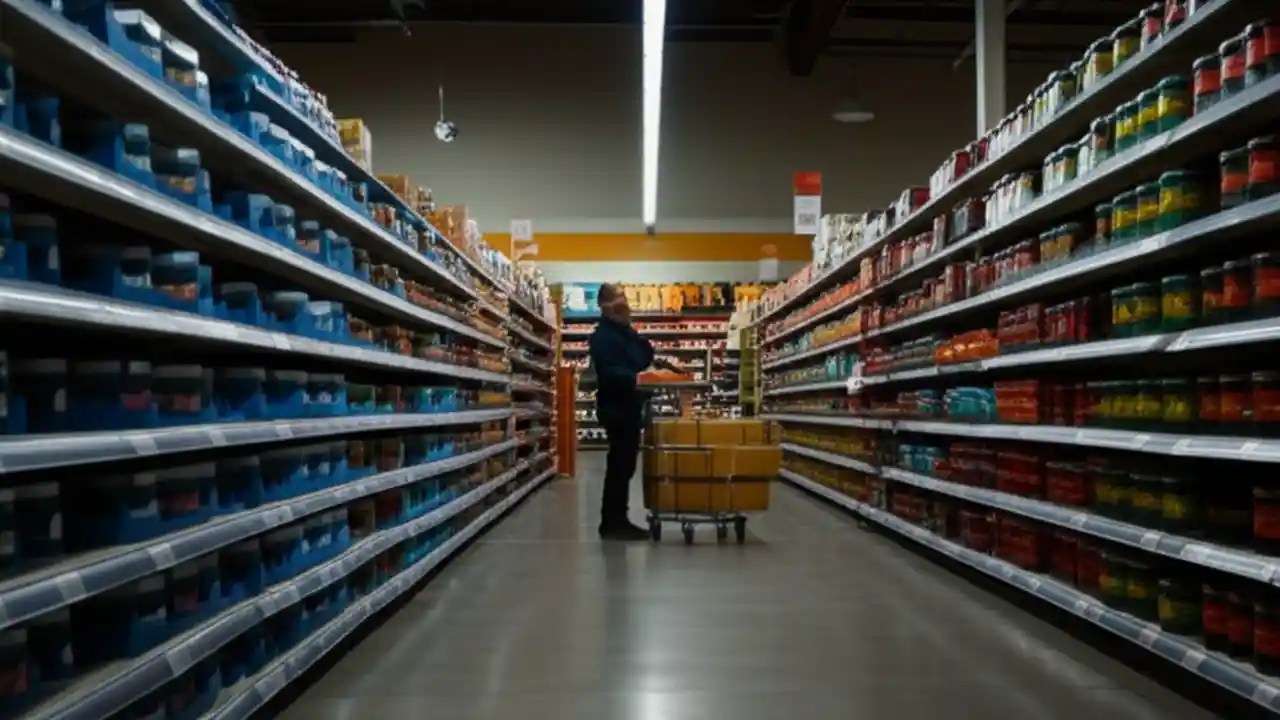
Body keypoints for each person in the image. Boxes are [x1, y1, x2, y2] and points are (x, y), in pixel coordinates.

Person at [589, 283, 679, 540]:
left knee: (625, 464)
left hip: (628, 405)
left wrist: (630, 329)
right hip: (616, 407)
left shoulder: (624, 333)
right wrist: (636, 379)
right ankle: (612, 523)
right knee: (620, 465)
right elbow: (609, 371)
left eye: (625, 303)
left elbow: (644, 355)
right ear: (605, 306)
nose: (625, 308)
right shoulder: (602, 337)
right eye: (619, 304)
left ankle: (616, 519)